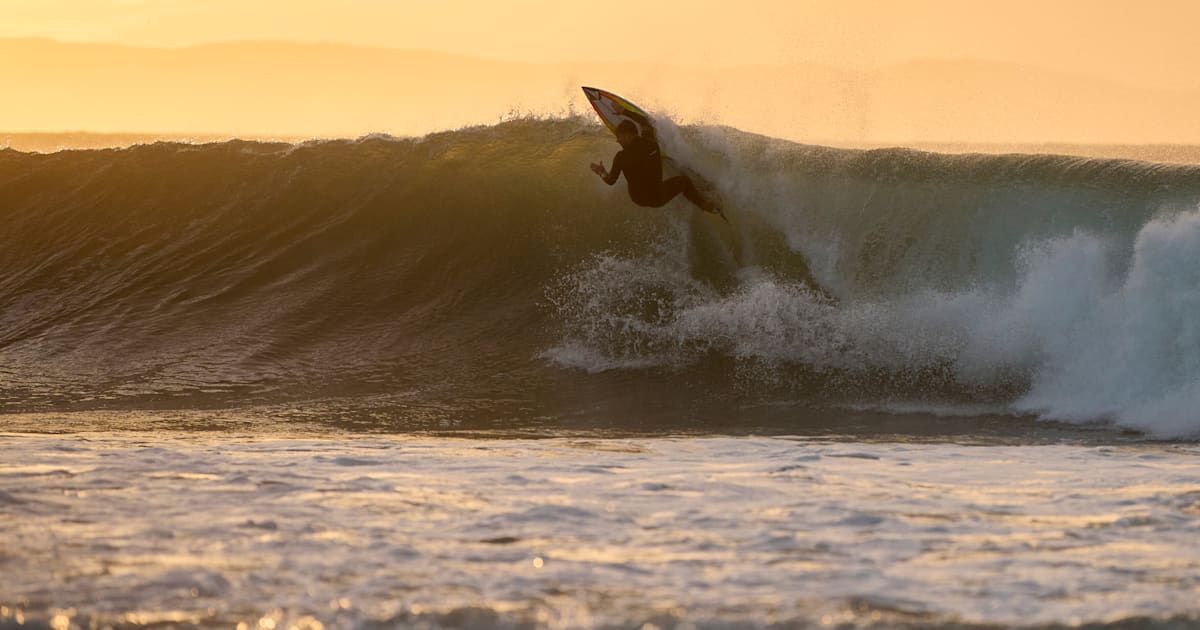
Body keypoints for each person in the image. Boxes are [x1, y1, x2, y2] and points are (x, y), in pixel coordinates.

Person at [590, 120, 724, 219]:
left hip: (639, 199)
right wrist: (624, 110)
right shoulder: (652, 144)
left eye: (619, 136)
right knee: (684, 181)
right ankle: (705, 205)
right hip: (658, 197)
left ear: (629, 135)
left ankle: (703, 203)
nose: (617, 141)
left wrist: (601, 172)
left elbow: (610, 181)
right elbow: (647, 124)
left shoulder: (620, 157)